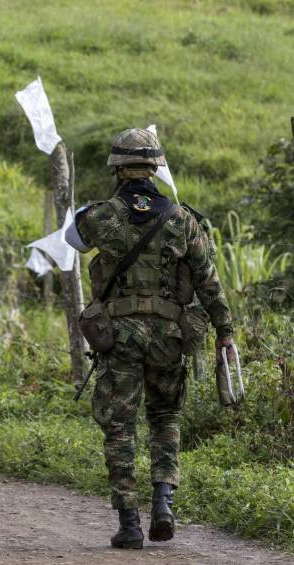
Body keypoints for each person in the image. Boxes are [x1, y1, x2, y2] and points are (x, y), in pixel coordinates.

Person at [65, 128, 235, 549]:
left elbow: (73, 238)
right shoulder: (182, 219)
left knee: (120, 428)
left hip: (118, 336)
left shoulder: (101, 216)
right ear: (156, 168)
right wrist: (225, 331)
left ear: (118, 169)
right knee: (165, 419)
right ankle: (163, 503)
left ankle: (129, 524)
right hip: (169, 338)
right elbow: (208, 282)